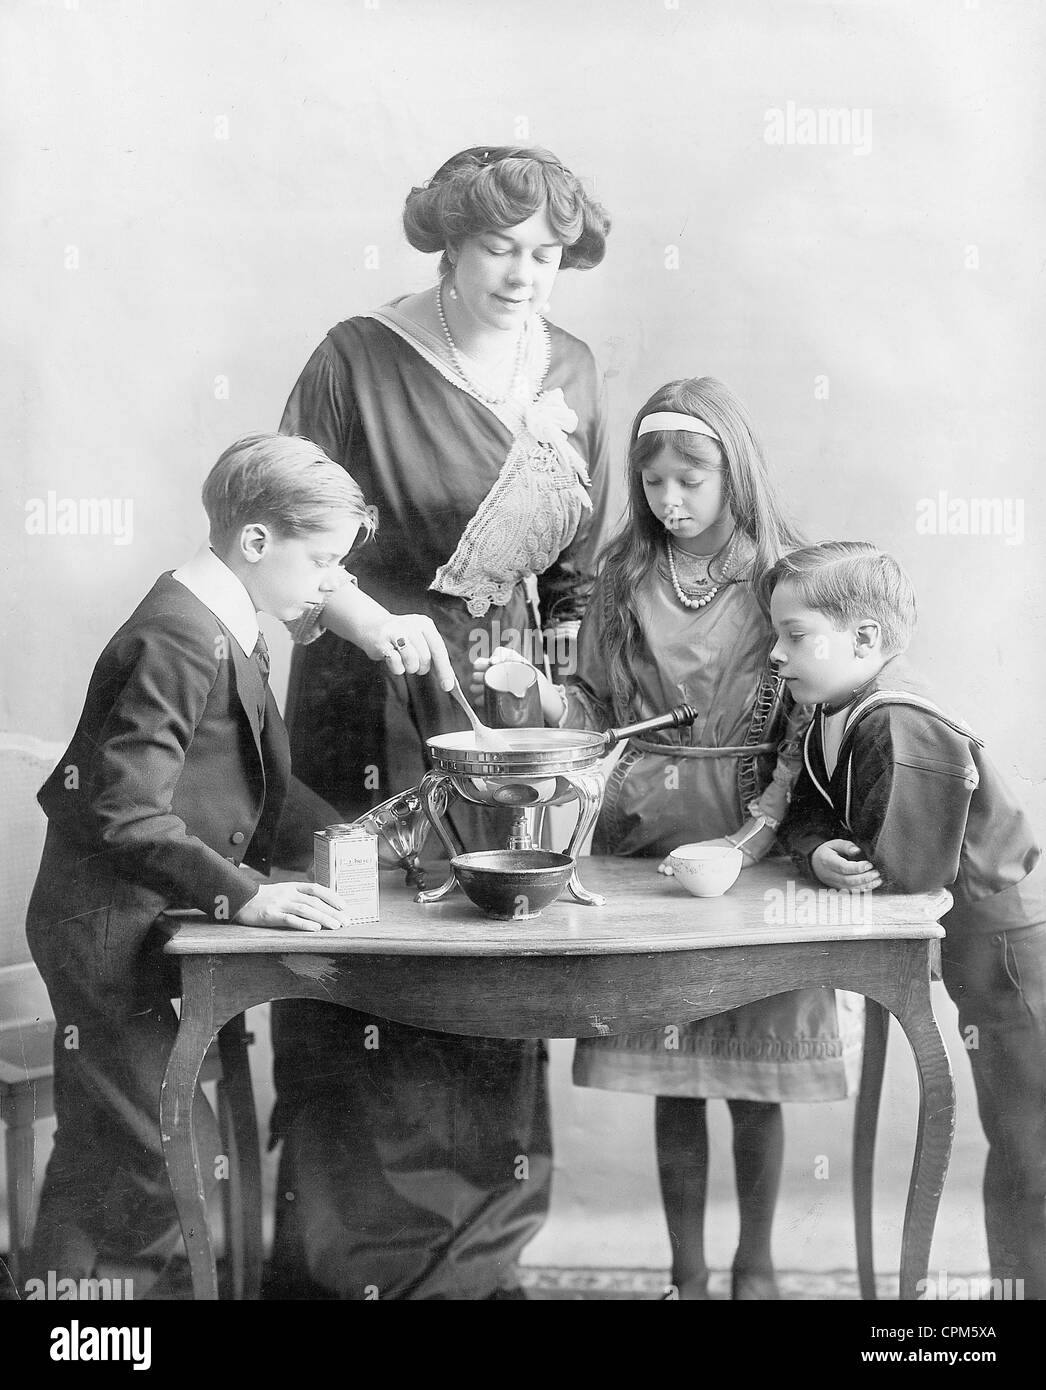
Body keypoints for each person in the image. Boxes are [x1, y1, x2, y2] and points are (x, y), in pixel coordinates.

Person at [266, 145, 612, 1300]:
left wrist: (554, 684)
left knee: (497, 959)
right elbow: (281, 523)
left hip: (498, 710)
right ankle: (356, 1267)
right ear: (448, 247)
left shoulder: (572, 367)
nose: (523, 275)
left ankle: (479, 1260)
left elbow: (572, 574)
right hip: (365, 691)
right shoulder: (356, 359)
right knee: (376, 963)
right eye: (499, 249)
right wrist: (366, 621)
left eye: (546, 255)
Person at [24, 433, 456, 1295]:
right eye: (323, 563)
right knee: (142, 1149)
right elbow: (122, 811)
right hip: (103, 923)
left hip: (144, 913)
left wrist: (359, 844)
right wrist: (245, 899)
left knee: (139, 1142)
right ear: (255, 543)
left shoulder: (227, 616)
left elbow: (252, 780)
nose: (331, 585)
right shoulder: (178, 639)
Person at [475, 378, 863, 1300]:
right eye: (653, 484)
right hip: (649, 841)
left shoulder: (788, 575)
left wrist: (783, 833)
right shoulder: (625, 582)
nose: (670, 501)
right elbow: (599, 713)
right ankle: (687, 1271)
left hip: (753, 834)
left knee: (753, 1065)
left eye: (691, 480)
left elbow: (820, 714)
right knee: (676, 1066)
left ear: (735, 471)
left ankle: (755, 1262)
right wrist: (538, 696)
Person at [766, 540, 1046, 1300]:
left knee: (1032, 1138)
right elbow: (806, 817)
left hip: (1009, 945)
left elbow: (908, 874)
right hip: (962, 938)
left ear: (864, 640)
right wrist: (819, 851)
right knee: (1019, 1135)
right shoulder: (832, 713)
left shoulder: (900, 721)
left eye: (794, 636)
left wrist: (834, 857)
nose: (776, 653)